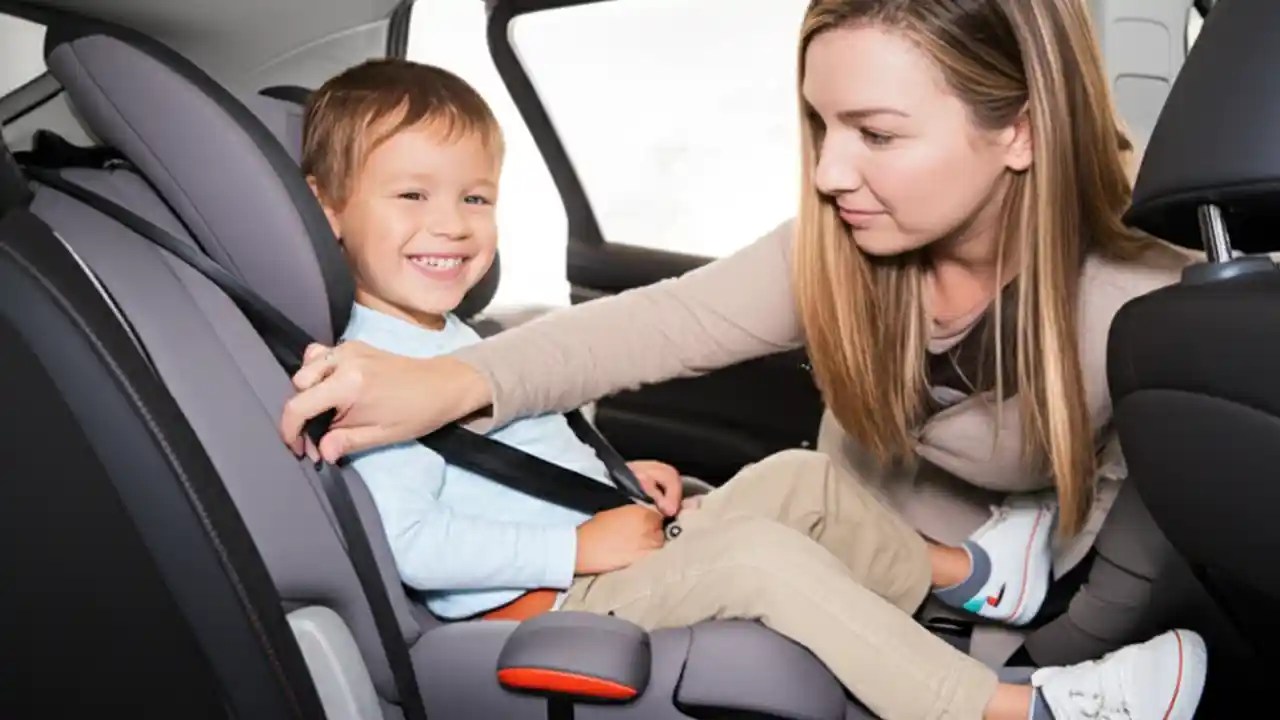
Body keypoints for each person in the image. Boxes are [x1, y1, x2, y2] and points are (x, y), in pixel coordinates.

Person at [281, 0, 1205, 670]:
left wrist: (1051, 664)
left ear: (1022, 133)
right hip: (858, 565)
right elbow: (656, 324)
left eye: (876, 134)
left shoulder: (1145, 303)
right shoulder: (836, 250)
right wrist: (452, 385)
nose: (830, 169)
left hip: (1016, 617)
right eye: (819, 124)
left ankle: (978, 583)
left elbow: (1137, 534)